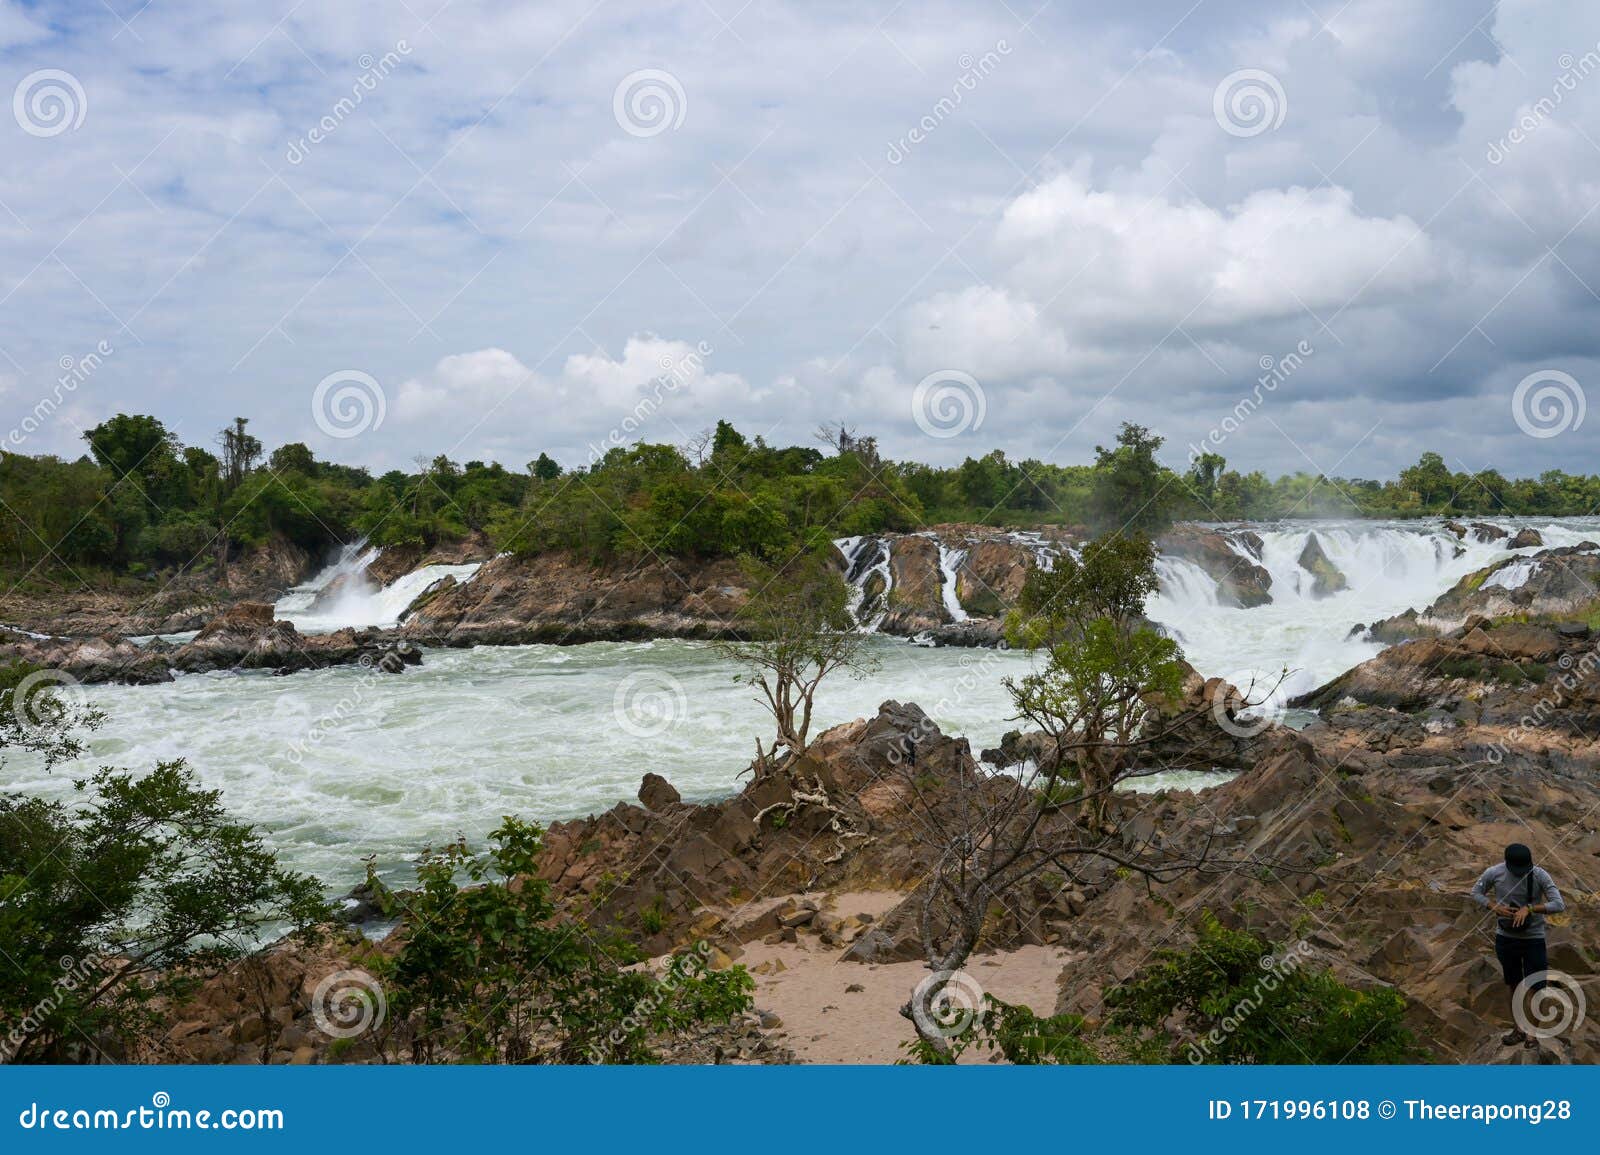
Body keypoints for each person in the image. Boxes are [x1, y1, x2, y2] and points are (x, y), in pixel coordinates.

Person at [1471, 843, 1565, 1048]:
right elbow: (1476, 892)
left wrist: (1530, 909)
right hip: (1506, 937)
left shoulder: (1540, 875)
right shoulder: (1493, 873)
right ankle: (1518, 1030)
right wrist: (1494, 906)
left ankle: (1532, 1035)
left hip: (1533, 939)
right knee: (1513, 984)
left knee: (1536, 985)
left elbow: (1559, 904)